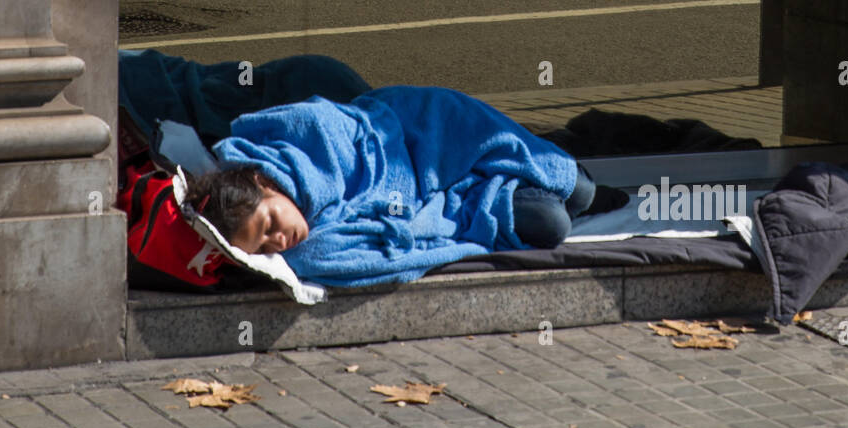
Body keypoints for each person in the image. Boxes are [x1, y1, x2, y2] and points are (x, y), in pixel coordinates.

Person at [181, 84, 627, 286]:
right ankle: (509, 186)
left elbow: (368, 136)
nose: (280, 240)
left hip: (422, 139)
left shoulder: (302, 137)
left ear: (266, 184)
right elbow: (368, 244)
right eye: (264, 247)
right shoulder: (308, 245)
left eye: (270, 222)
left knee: (578, 190)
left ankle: (560, 167)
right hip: (449, 200)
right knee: (551, 223)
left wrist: (403, 197)